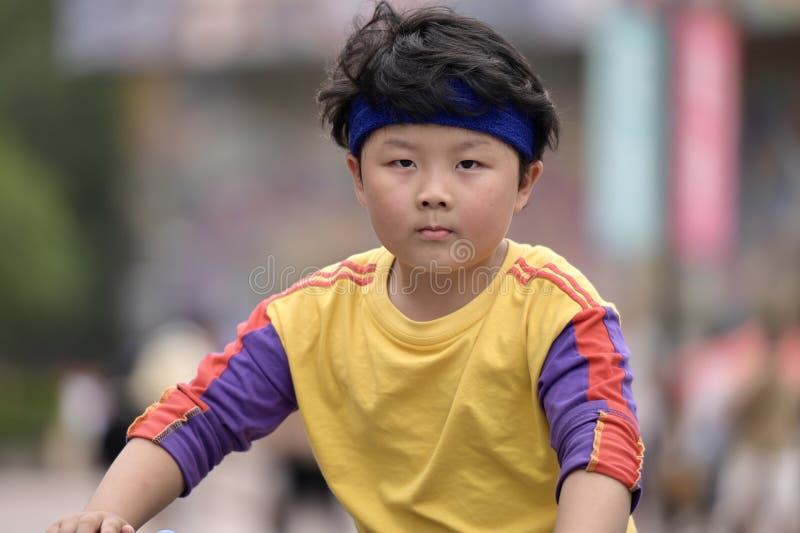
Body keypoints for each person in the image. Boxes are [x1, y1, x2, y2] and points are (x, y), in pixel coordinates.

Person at [47, 2, 644, 532]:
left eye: (468, 164)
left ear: (525, 183)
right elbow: (202, 414)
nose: (433, 192)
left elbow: (600, 449)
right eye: (402, 162)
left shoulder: (561, 312)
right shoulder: (310, 316)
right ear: (358, 177)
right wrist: (104, 516)